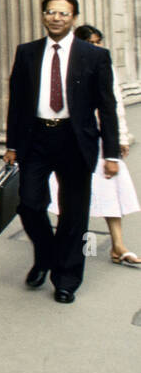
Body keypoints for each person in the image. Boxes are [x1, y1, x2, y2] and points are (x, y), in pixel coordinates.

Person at [2, 0, 120, 303]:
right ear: (43, 16)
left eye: (63, 14)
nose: (57, 18)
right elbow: (16, 103)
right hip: (36, 138)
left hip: (75, 139)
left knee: (74, 212)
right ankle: (45, 256)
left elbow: (106, 107)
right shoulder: (26, 53)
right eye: (51, 12)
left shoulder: (94, 55)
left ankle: (66, 278)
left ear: (74, 18)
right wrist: (12, 144)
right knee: (29, 203)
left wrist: (110, 152)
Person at [47, 25, 141, 268]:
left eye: (99, 41)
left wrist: (120, 137)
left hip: (100, 139)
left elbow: (114, 103)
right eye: (92, 42)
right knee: (65, 191)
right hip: (71, 139)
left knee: (110, 187)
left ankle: (118, 245)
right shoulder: (65, 64)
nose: (97, 46)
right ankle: (66, 244)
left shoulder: (102, 63)